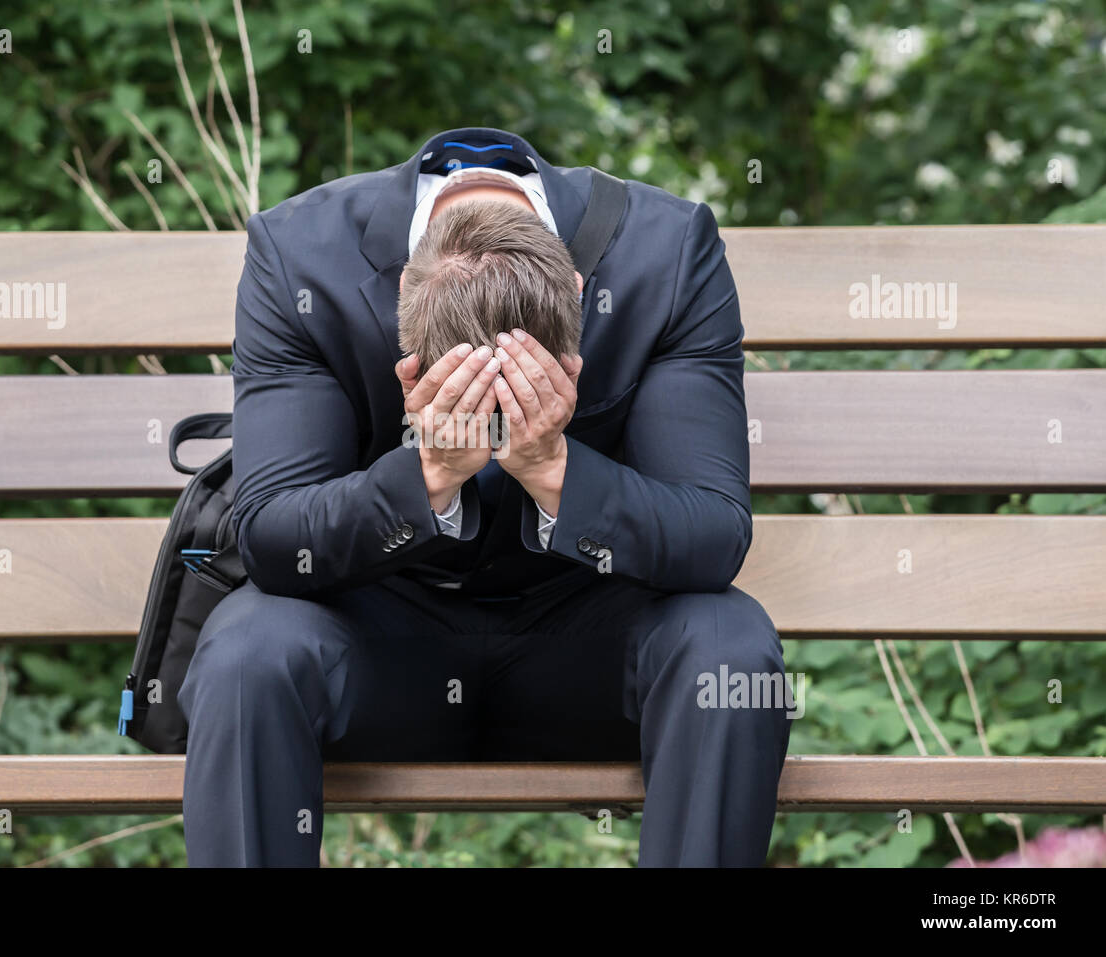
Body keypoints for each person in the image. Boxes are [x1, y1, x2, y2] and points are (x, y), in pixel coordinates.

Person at [176, 126, 792, 867]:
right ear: (404, 290)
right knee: (248, 650)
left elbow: (713, 535)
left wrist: (553, 467)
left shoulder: (668, 251)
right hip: (380, 647)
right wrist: (428, 472)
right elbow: (275, 538)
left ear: (574, 293)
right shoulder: (299, 252)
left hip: (590, 641)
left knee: (730, 645)